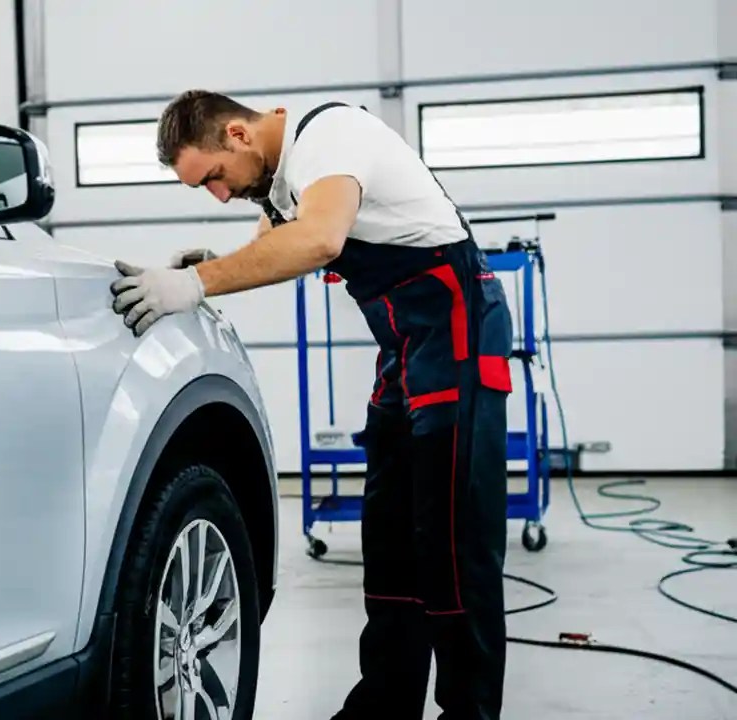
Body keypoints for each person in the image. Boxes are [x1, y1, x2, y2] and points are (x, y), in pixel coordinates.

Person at [109, 90, 514, 720]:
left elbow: (320, 240)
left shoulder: (330, 136)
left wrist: (192, 285)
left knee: (453, 544)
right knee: (389, 543)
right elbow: (278, 244)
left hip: (456, 333)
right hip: (406, 350)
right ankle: (384, 705)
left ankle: (470, 711)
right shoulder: (281, 181)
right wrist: (211, 266)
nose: (218, 194)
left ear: (239, 136)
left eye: (213, 177)